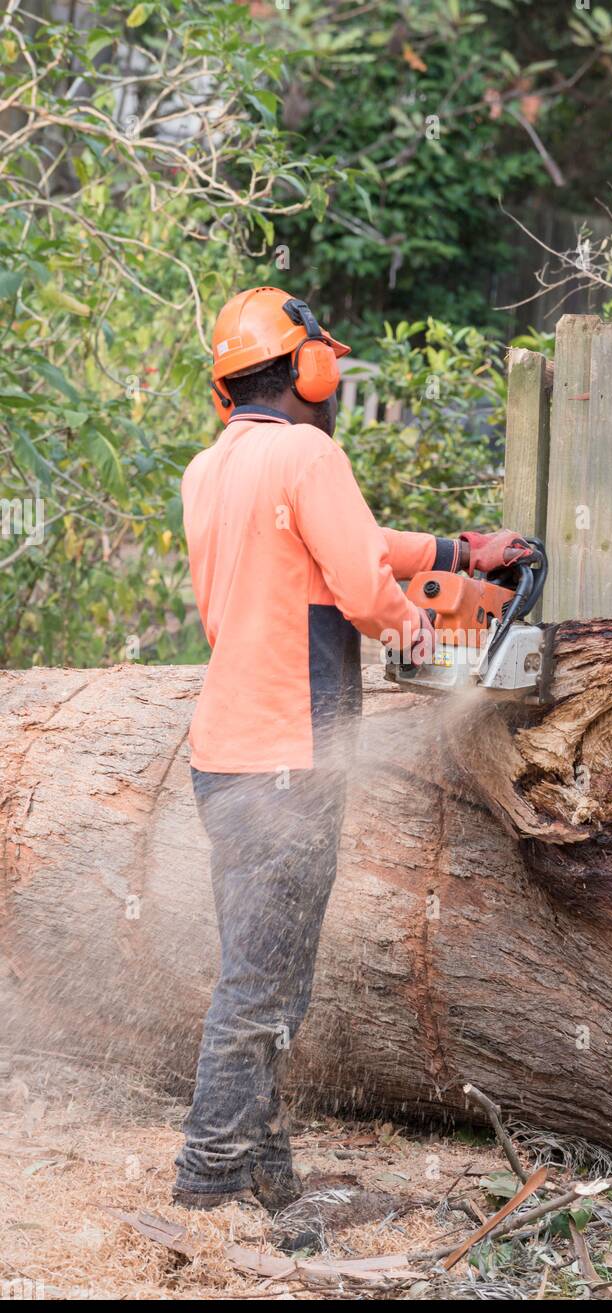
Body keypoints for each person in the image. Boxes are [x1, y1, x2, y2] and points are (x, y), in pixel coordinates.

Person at [173, 286, 532, 1211]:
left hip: (227, 755)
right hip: (289, 761)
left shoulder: (212, 467)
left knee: (267, 983)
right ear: (310, 368)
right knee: (261, 992)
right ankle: (205, 1189)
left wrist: (458, 552)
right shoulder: (308, 450)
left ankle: (259, 1167)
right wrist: (425, 637)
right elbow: (365, 586)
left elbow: (349, 545)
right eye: (324, 366)